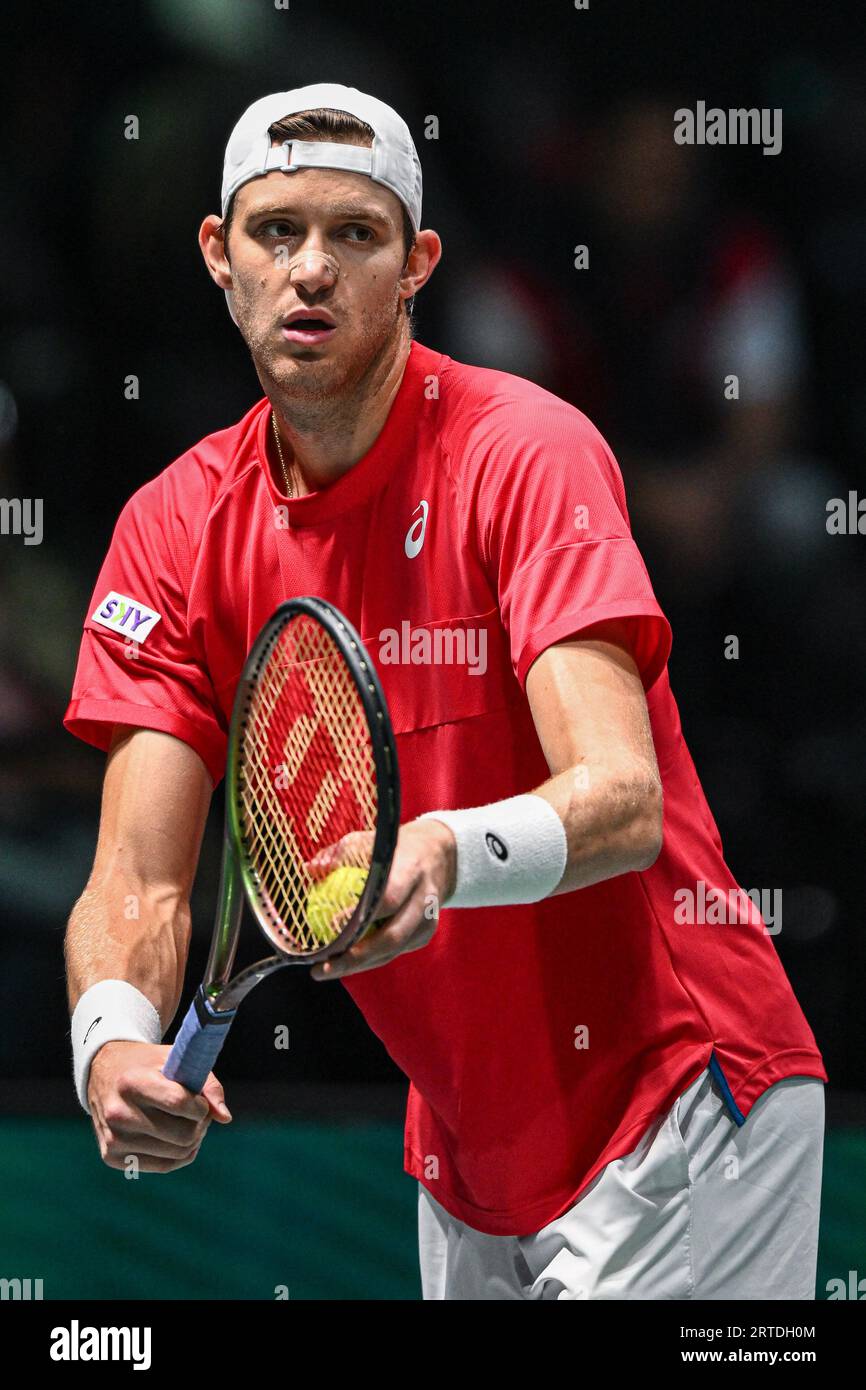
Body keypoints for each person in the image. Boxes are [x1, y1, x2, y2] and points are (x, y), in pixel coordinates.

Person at [64, 83, 826, 1301]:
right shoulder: (172, 528)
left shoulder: (524, 450)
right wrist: (109, 1044)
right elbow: (139, 883)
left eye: (354, 236)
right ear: (218, 254)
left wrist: (443, 849)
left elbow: (621, 798)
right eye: (275, 232)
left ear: (415, 263)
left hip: (677, 1096)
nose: (309, 270)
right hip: (466, 1146)